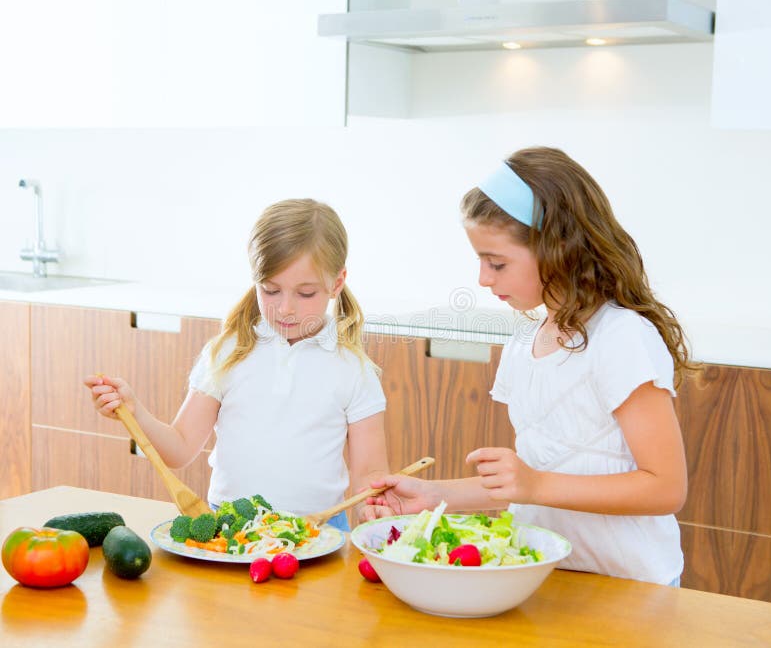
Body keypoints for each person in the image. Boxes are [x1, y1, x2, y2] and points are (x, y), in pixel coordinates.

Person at [369, 147, 691, 585]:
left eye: (497, 263)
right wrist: (433, 495)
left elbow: (666, 487)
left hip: (631, 584)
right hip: (546, 575)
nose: (483, 278)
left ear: (556, 249)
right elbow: (530, 479)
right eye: (481, 261)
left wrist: (536, 485)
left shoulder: (621, 336)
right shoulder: (524, 341)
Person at [86, 199, 391, 531]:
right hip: (231, 532)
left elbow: (370, 473)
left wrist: (375, 504)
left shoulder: (354, 370)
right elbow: (180, 448)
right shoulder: (228, 353)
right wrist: (136, 412)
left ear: (337, 283)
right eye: (270, 290)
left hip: (322, 533)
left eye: (305, 294)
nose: (285, 308)